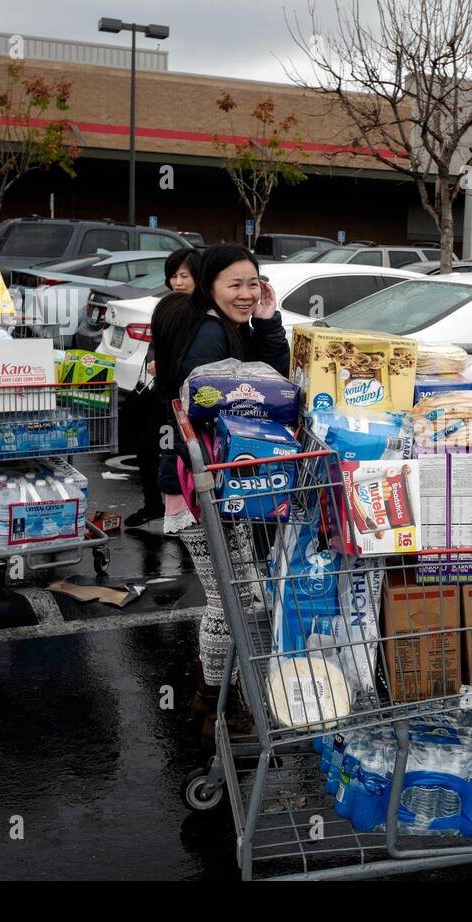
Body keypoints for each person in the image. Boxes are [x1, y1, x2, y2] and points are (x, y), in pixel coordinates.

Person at [153, 244, 288, 739]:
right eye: (236, 284)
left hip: (208, 484)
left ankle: (212, 700)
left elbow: (272, 379)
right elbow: (211, 402)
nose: (248, 293)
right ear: (210, 284)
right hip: (200, 489)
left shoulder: (218, 324)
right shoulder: (209, 333)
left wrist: (268, 321)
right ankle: (219, 708)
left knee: (235, 595)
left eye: (253, 283)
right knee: (231, 599)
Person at [123, 248, 200, 528]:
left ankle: (186, 515)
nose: (178, 282)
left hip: (184, 397)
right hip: (159, 393)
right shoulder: (167, 305)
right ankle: (153, 504)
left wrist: (167, 364)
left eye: (185, 276)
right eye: (174, 276)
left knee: (180, 456)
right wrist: (155, 360)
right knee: (146, 447)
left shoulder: (202, 312)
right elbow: (154, 344)